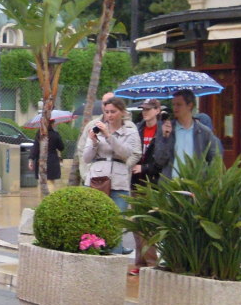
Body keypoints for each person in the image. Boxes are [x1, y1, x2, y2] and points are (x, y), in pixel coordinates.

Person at [80, 96, 141, 252]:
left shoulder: (130, 131)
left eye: (113, 112)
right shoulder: (95, 128)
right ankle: (95, 252)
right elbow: (86, 157)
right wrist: (93, 141)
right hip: (97, 179)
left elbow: (127, 152)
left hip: (119, 180)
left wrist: (108, 136)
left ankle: (115, 255)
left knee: (117, 221)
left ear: (122, 112)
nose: (109, 115)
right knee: (95, 220)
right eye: (107, 112)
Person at [129, 99, 166, 273]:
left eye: (149, 109)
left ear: (158, 110)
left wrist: (145, 167)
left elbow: (164, 159)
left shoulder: (164, 131)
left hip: (154, 183)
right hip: (136, 182)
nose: (145, 112)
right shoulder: (138, 128)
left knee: (149, 224)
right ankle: (140, 263)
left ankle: (151, 262)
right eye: (143, 109)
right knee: (137, 224)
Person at [149, 88, 219, 179]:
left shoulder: (204, 132)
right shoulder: (166, 129)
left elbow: (214, 160)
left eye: (179, 105)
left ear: (190, 105)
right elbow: (159, 160)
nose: (175, 108)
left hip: (195, 185)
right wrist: (165, 138)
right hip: (171, 185)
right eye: (173, 104)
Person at [29, 121, 65, 192]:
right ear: (51, 124)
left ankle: (41, 201)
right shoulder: (55, 135)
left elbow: (35, 148)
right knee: (50, 182)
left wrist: (30, 160)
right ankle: (49, 200)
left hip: (41, 161)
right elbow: (61, 147)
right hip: (52, 161)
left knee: (41, 182)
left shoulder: (39, 134)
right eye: (54, 123)